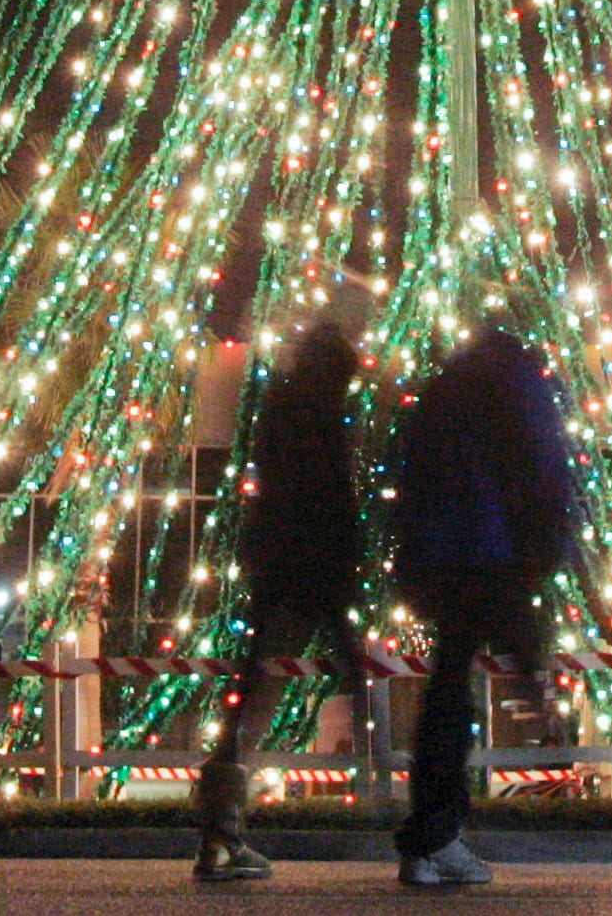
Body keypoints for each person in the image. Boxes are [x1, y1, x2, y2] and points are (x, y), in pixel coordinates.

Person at [388, 324, 574, 892]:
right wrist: (550, 543)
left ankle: (431, 835)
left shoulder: (442, 387)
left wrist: (411, 552)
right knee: (461, 690)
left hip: (443, 552)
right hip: (491, 550)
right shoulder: (520, 381)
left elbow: (408, 471)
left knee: (448, 687)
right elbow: (545, 466)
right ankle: (438, 834)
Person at [194, 321, 369, 883]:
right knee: (274, 696)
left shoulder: (283, 407)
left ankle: (220, 827)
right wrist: (345, 557)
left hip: (278, 564)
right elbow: (329, 496)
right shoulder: (318, 419)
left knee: (253, 699)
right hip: (309, 566)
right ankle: (223, 830)